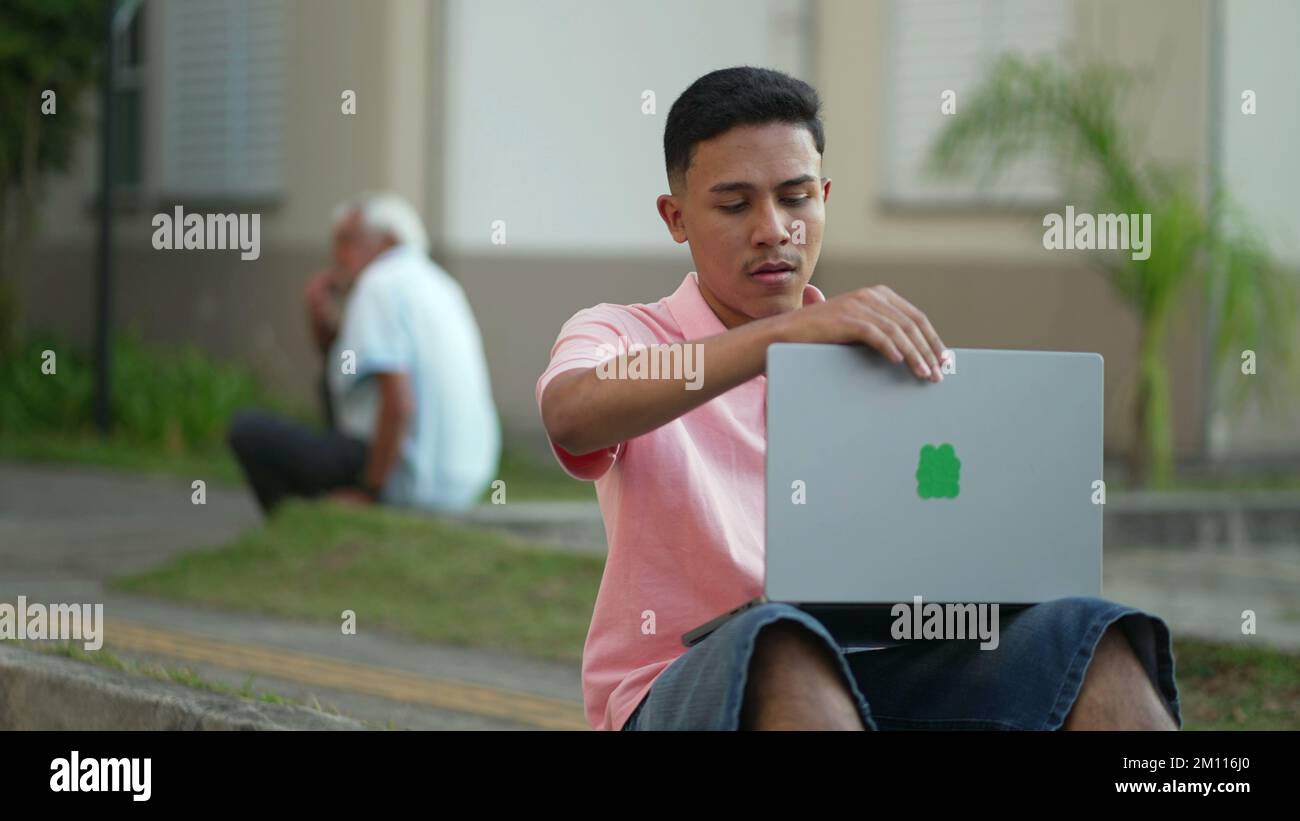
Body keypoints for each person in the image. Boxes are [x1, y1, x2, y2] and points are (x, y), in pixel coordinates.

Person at [536, 67, 1181, 731]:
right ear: (676, 217)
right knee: (780, 640)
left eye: (796, 198)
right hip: (683, 689)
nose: (774, 229)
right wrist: (780, 334)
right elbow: (573, 413)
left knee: (1089, 636)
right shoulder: (620, 332)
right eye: (735, 205)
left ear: (824, 196)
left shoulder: (879, 350)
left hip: (882, 665)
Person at [229, 192, 500, 515]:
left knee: (248, 430)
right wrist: (322, 320)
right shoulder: (442, 285)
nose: (336, 255)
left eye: (346, 240)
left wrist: (370, 492)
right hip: (464, 483)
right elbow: (348, 374)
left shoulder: (378, 283)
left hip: (408, 480)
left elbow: (399, 402)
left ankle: (300, 524)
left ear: (385, 241)